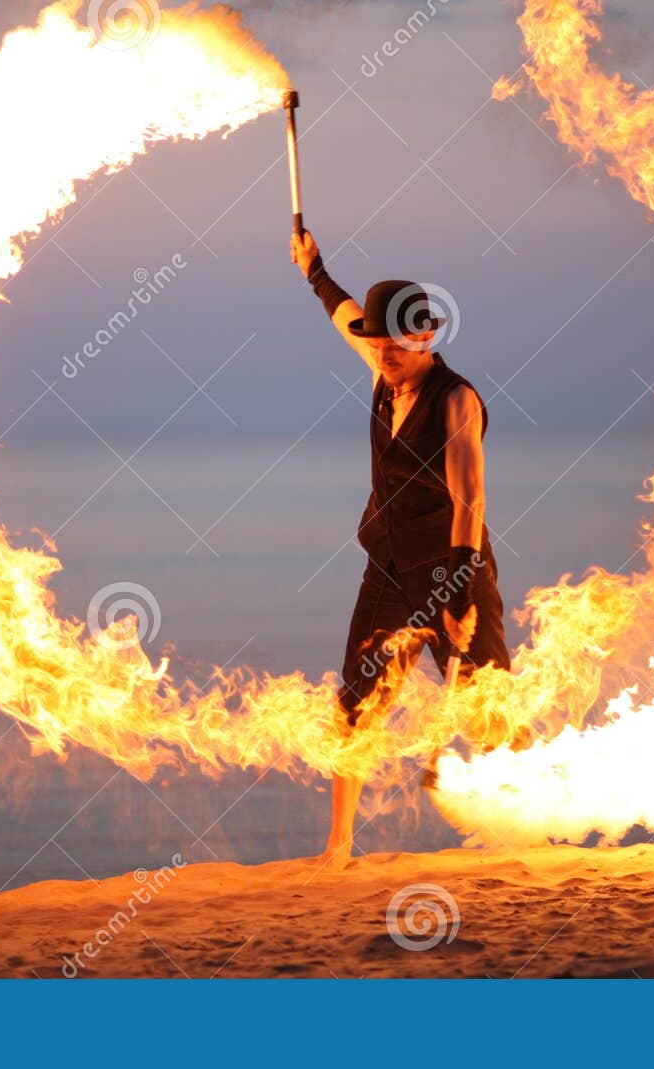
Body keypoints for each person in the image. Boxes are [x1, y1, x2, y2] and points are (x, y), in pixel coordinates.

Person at [290, 229, 510, 871]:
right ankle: (338, 848)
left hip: (450, 568)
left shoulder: (457, 399)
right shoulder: (384, 374)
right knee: (354, 707)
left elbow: (471, 499)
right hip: (387, 567)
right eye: (377, 340)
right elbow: (341, 317)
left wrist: (460, 588)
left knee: (484, 703)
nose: (383, 351)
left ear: (427, 338)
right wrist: (315, 269)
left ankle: (532, 820)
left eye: (396, 341)